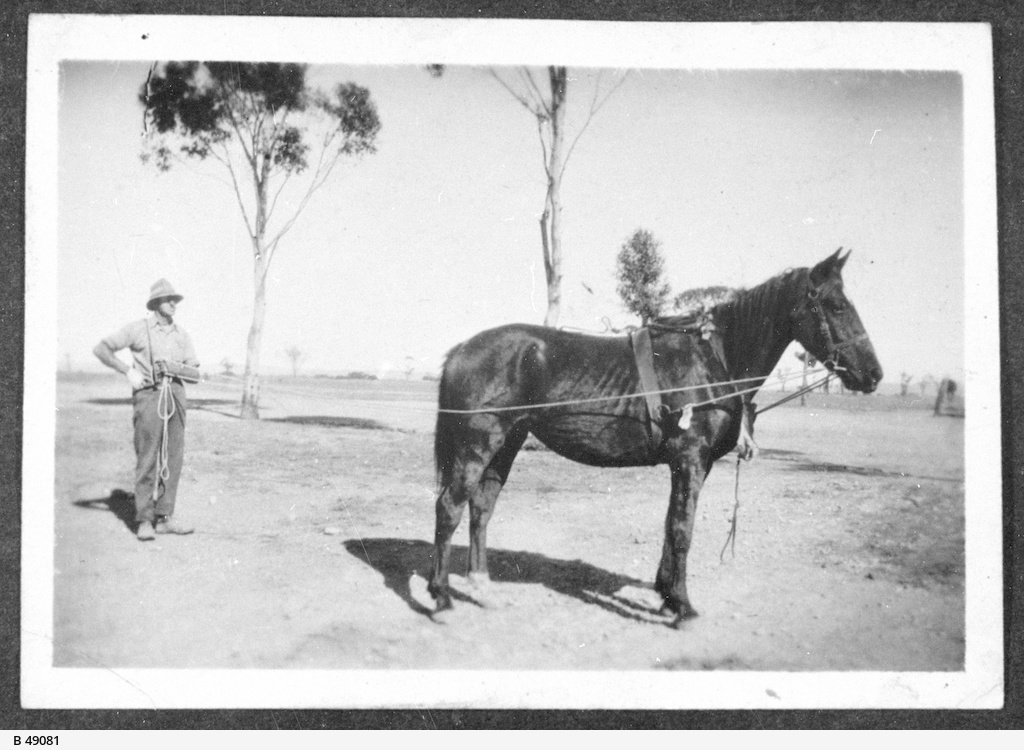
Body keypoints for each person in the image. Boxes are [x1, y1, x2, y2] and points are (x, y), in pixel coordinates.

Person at [93, 279, 200, 540]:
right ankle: (144, 520)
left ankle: (164, 518)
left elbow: (195, 374)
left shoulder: (182, 335)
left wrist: (174, 368)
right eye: (167, 299)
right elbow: (101, 349)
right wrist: (128, 371)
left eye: (175, 299)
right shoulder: (139, 329)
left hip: (175, 395)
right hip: (149, 396)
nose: (173, 303)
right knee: (148, 458)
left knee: (173, 458)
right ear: (155, 304)